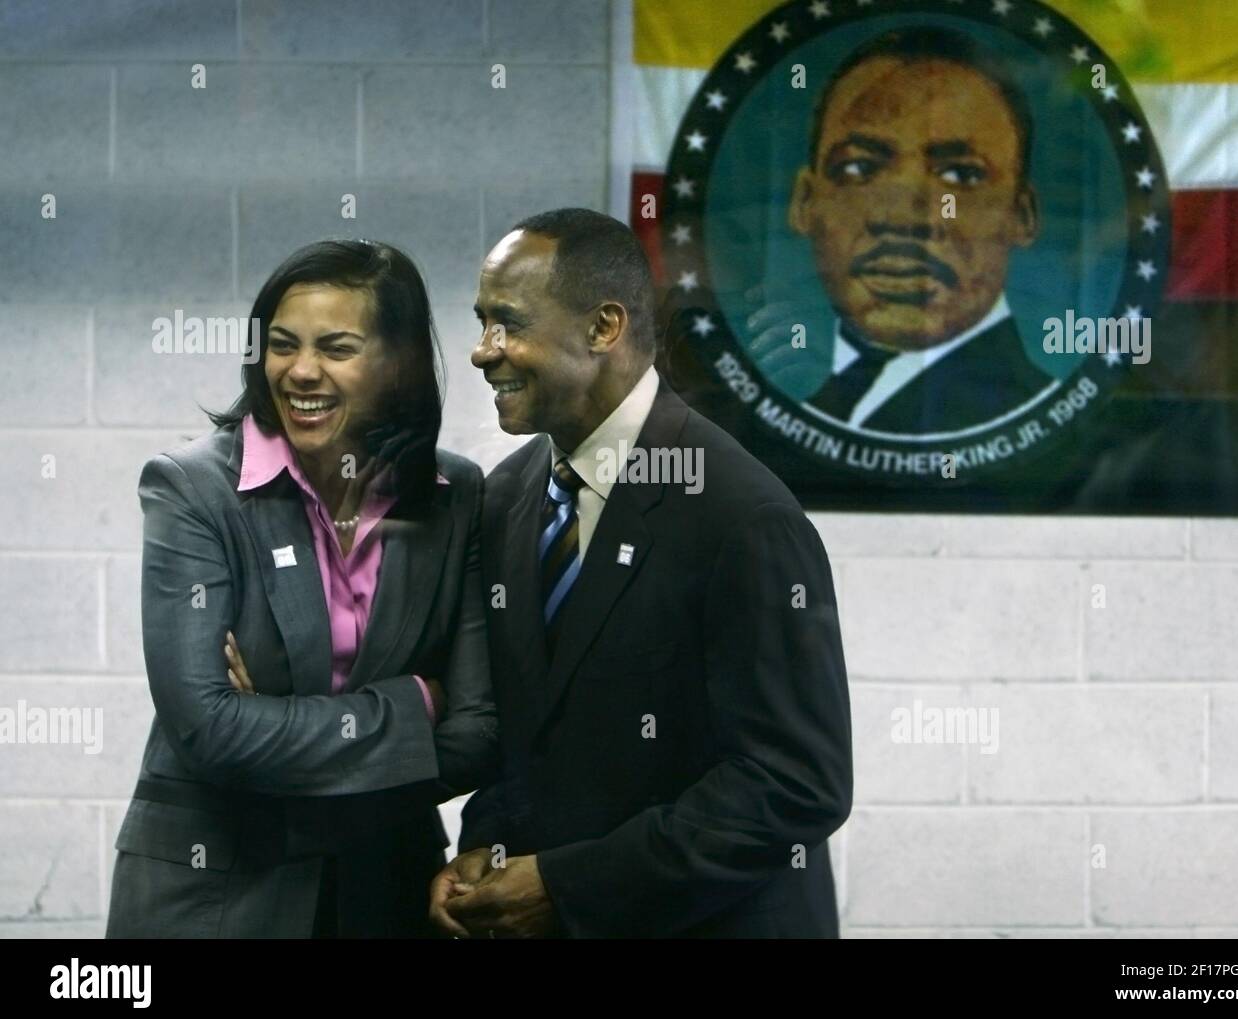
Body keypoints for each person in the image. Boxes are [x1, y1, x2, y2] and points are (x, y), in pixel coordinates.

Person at [430, 208, 852, 938]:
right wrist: (483, 852)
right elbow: (529, 738)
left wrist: (566, 885)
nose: (482, 351)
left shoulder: (740, 514)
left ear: (603, 329)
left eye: (510, 324)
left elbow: (795, 784)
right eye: (482, 322)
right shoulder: (505, 499)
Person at [106, 239, 497, 938]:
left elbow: (475, 733)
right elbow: (210, 731)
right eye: (282, 345)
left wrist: (277, 728)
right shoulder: (194, 491)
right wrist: (414, 703)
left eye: (337, 348)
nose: (301, 372)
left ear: (399, 364)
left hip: (385, 895)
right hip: (216, 898)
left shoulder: (455, 494)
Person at [780, 27, 1054, 433]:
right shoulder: (778, 413)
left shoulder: (1067, 428)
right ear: (805, 201)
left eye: (960, 174)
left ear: (1022, 215)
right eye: (859, 169)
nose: (903, 218)